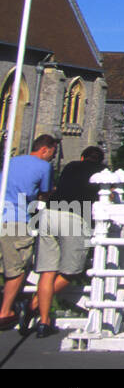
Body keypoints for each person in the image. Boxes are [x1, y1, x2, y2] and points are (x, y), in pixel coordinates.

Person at [26, 145, 106, 338]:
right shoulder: (102, 172)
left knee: (47, 271)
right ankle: (32, 305)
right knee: (71, 271)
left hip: (50, 214)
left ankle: (44, 321)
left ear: (82, 157)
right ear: (100, 161)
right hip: (75, 217)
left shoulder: (70, 166)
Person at [0, 134, 57, 331]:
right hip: (17, 220)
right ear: (45, 149)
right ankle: (5, 311)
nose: (52, 157)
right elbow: (45, 194)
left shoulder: (12, 161)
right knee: (16, 269)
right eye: (53, 153)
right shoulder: (44, 167)